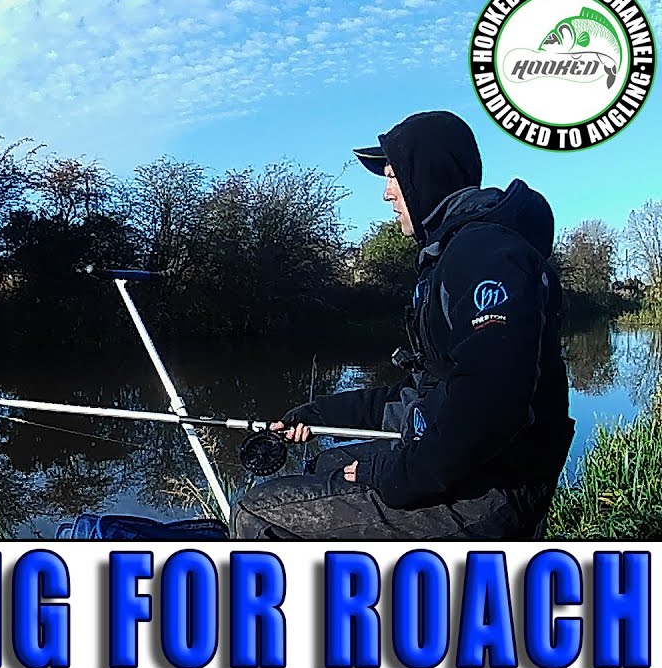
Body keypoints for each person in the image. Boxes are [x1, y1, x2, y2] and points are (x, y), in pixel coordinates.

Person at [230, 109, 575, 539]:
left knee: (255, 511)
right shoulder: (452, 255)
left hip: (491, 495)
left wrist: (388, 475)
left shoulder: (485, 255)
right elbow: (418, 396)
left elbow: (491, 405)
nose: (387, 195)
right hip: (467, 471)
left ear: (425, 179)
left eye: (393, 177)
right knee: (323, 465)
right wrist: (314, 413)